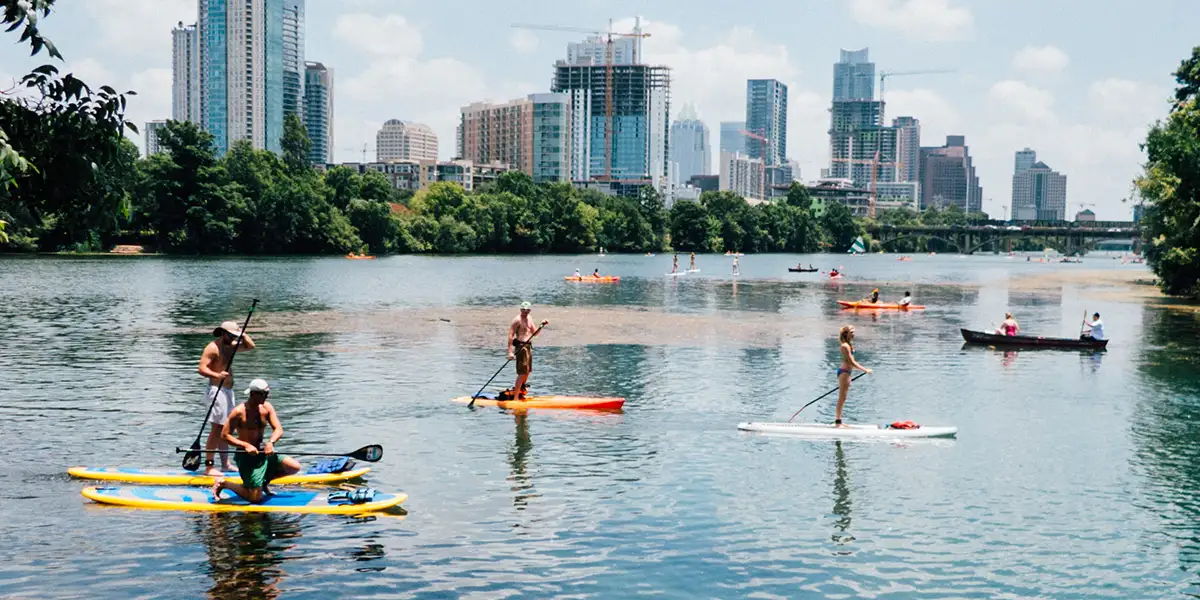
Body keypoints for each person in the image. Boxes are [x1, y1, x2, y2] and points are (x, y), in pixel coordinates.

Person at [211, 379, 301, 504]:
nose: (266, 397)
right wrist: (245, 445)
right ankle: (224, 483)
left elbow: (278, 429)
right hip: (246, 457)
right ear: (253, 394)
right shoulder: (238, 412)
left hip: (264, 451)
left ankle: (261, 483)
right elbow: (225, 435)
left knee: (294, 467)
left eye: (267, 394)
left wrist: (270, 442)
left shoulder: (267, 407)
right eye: (264, 394)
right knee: (255, 498)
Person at [197, 320, 256, 477]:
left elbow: (251, 346)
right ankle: (209, 466)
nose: (233, 338)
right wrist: (217, 375)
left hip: (228, 391)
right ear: (223, 333)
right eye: (230, 335)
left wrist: (242, 334)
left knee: (226, 428)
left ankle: (225, 464)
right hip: (216, 391)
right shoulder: (212, 348)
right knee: (216, 429)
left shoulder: (231, 346)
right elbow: (201, 368)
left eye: (234, 335)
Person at [501, 302, 549, 400]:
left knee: (527, 371)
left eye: (527, 310)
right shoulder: (517, 320)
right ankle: (515, 398)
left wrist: (541, 325)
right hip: (520, 347)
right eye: (523, 310)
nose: (525, 311)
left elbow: (534, 333)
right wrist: (510, 352)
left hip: (528, 346)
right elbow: (510, 336)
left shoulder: (529, 318)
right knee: (522, 372)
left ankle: (520, 390)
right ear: (520, 310)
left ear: (529, 310)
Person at [835, 325, 872, 427]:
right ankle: (838, 423)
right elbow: (851, 362)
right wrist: (865, 370)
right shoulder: (844, 346)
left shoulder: (848, 345)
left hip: (847, 372)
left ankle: (839, 421)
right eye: (852, 332)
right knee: (841, 398)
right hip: (844, 372)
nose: (853, 334)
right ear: (846, 333)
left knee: (844, 398)